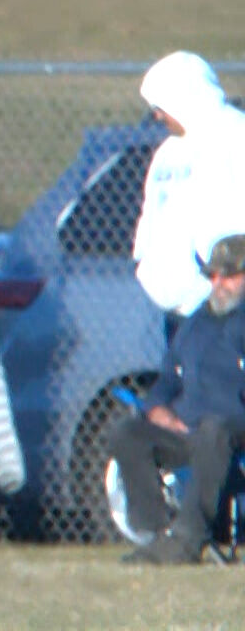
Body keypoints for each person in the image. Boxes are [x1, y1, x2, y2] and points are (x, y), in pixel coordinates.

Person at [114, 232, 245, 565]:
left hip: (231, 431)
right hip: (187, 430)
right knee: (128, 434)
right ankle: (158, 535)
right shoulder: (195, 325)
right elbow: (168, 380)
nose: (219, 284)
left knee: (214, 430)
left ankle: (188, 540)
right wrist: (158, 409)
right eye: (213, 276)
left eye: (229, 276)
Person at [133, 51, 245, 315]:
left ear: (181, 98)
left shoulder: (236, 136)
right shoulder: (168, 152)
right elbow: (151, 216)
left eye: (160, 108)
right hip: (178, 315)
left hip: (227, 308)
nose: (158, 117)